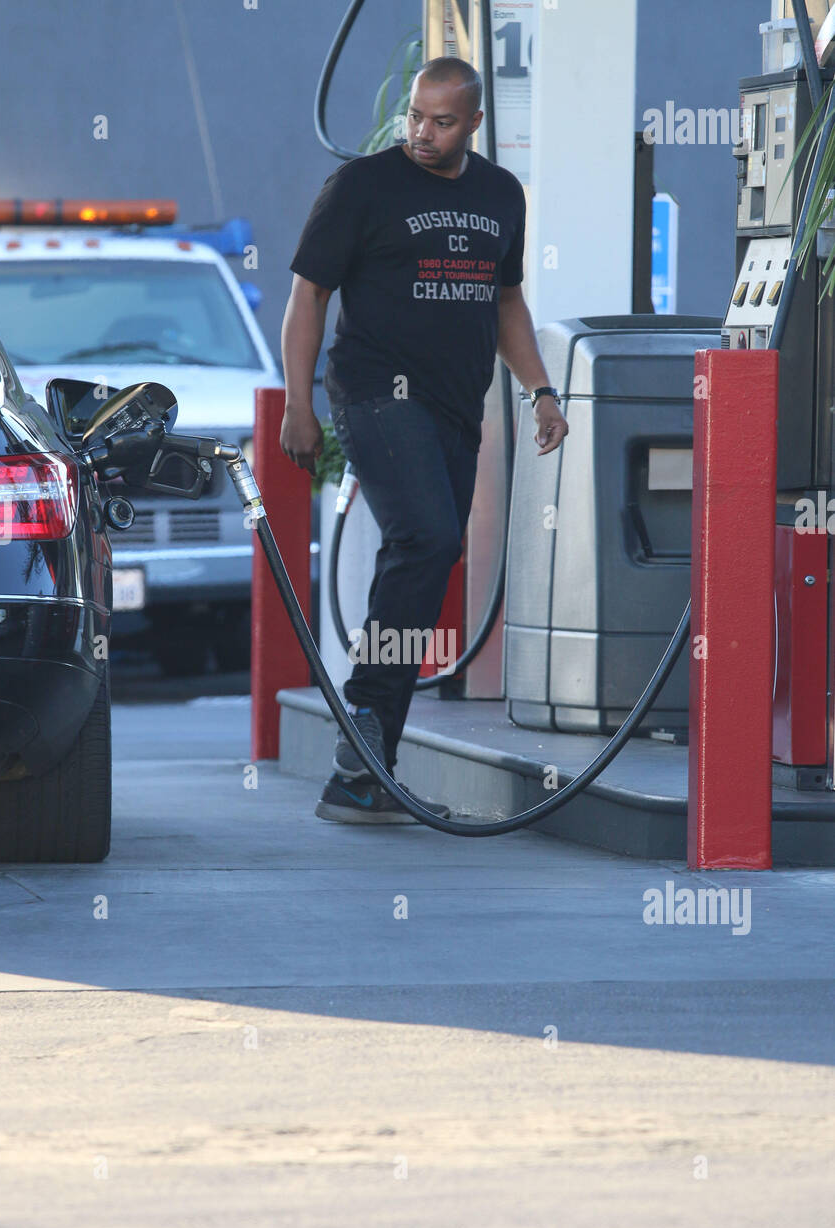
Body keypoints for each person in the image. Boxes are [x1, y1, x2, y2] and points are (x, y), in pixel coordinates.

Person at [280, 56, 568, 824]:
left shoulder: (500, 194)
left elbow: (506, 300)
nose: (422, 133)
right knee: (430, 537)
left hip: (454, 407)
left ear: (475, 122)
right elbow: (308, 292)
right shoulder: (364, 186)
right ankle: (364, 725)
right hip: (374, 392)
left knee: (428, 552)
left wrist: (540, 388)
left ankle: (365, 772)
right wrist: (297, 406)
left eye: (442, 121)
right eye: (415, 116)